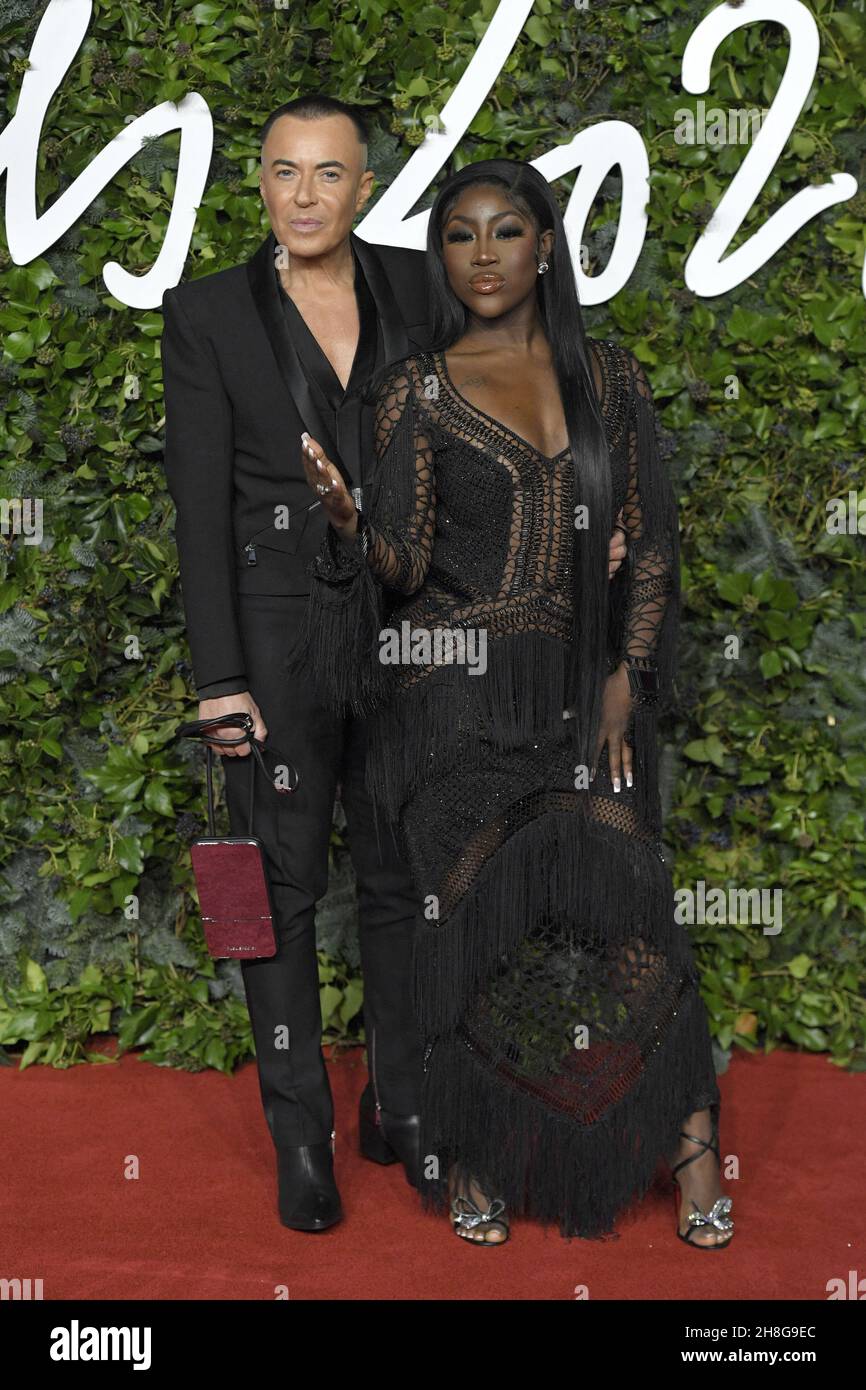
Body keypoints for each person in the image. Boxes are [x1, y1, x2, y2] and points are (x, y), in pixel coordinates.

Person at [161, 100, 631, 1231]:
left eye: (330, 174)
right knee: (275, 887)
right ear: (261, 187)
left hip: (415, 618)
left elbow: (506, 426)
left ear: (364, 188)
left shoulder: (419, 291)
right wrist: (219, 678)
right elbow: (196, 505)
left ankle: (404, 1107)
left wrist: (582, 526)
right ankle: (301, 1138)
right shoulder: (208, 313)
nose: (307, 195)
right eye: (285, 173)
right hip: (275, 632)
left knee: (402, 873)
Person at [292, 158, 735, 1249]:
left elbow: (651, 550)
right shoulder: (419, 387)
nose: (481, 254)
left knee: (640, 925)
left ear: (545, 246)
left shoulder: (608, 380)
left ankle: (690, 1155)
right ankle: (477, 1156)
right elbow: (401, 564)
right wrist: (348, 523)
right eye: (458, 236)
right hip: (450, 705)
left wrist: (622, 684)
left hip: (579, 699)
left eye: (504, 231)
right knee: (477, 938)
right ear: (440, 257)